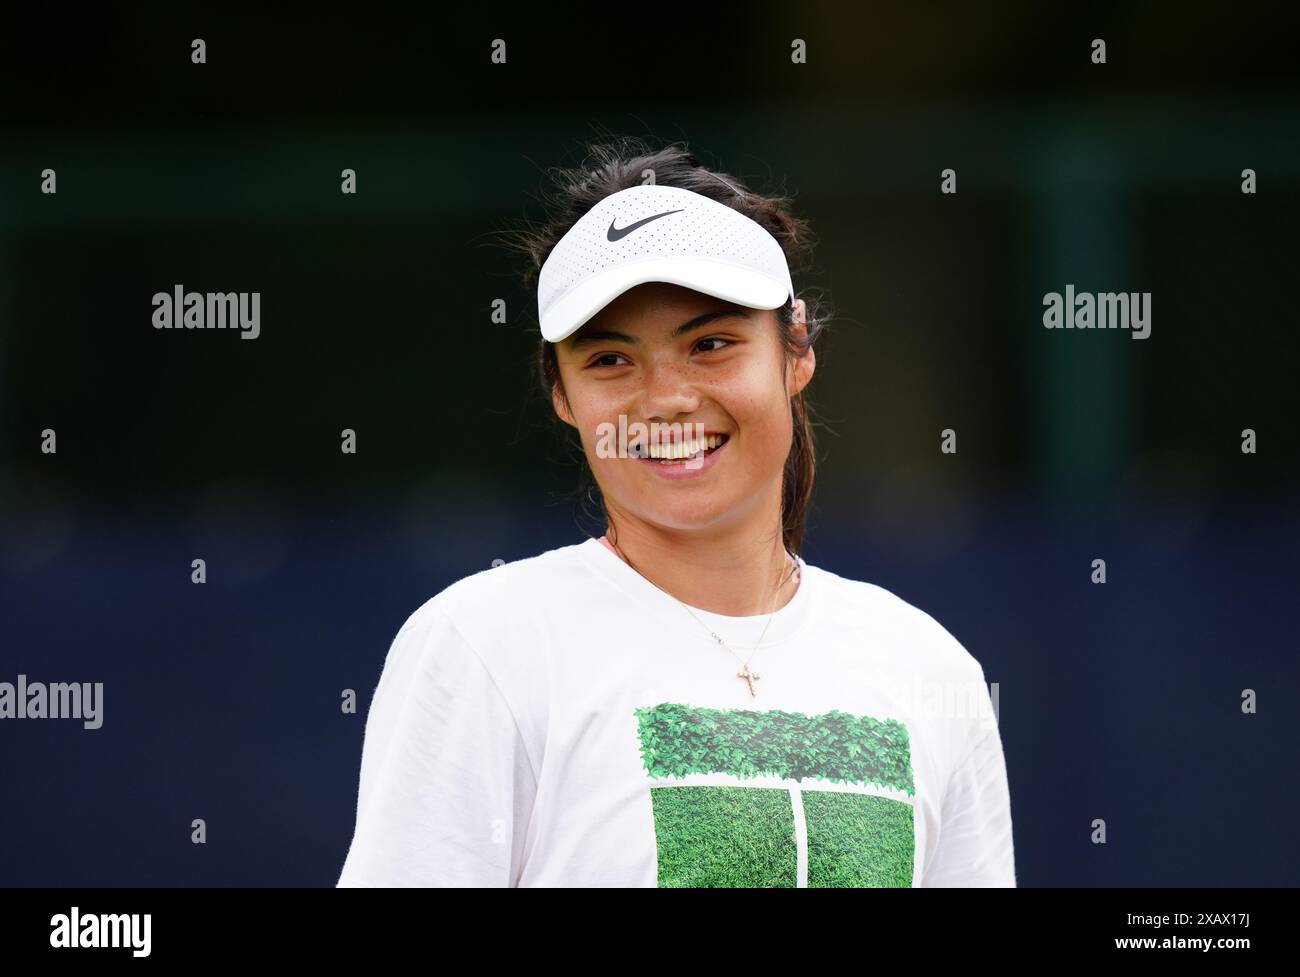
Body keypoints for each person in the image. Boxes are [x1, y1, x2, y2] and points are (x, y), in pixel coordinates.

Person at [337, 138, 1015, 887]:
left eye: (712, 343)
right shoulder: (482, 650)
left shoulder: (927, 668)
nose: (665, 398)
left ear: (796, 353)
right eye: (610, 360)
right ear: (562, 395)